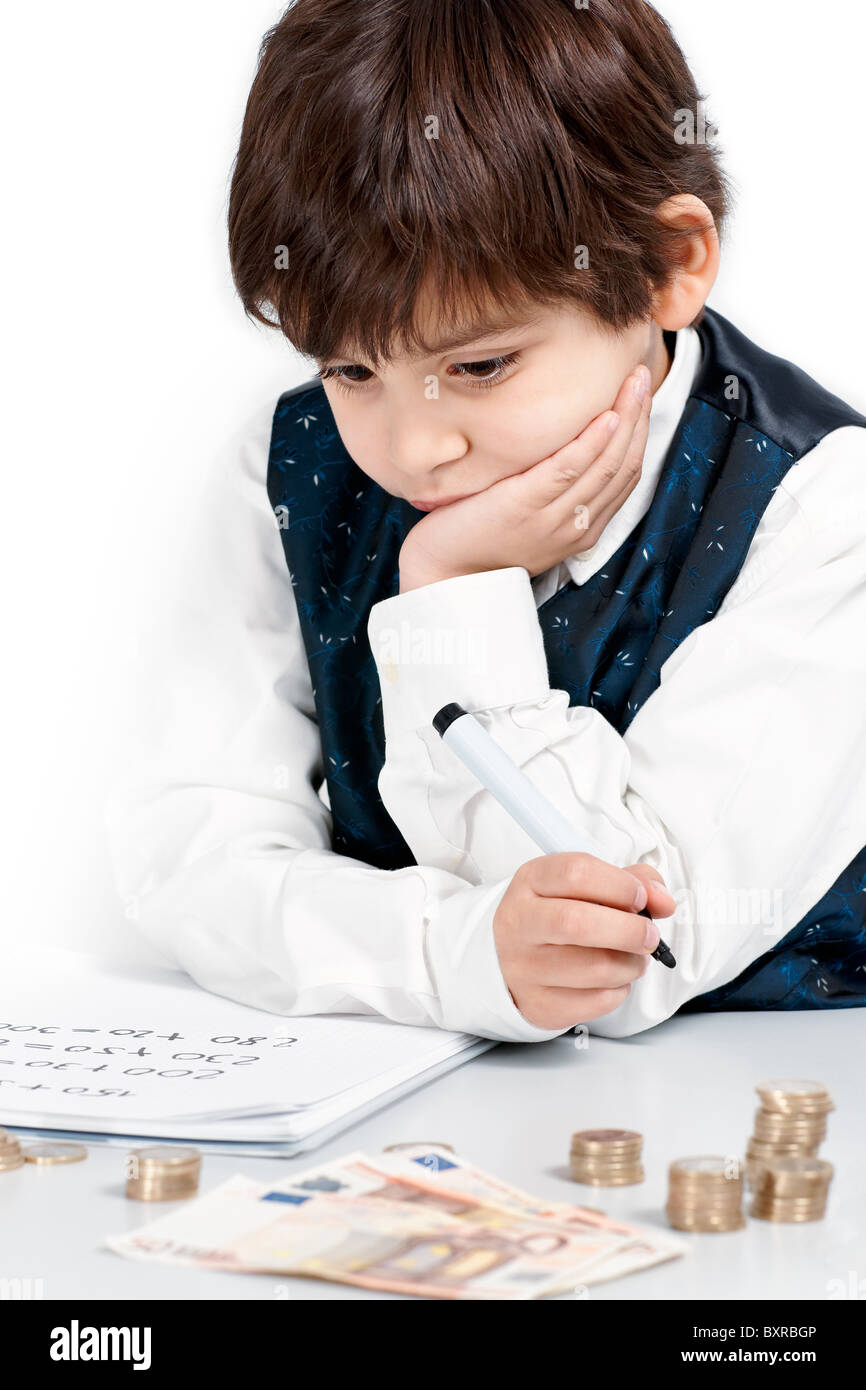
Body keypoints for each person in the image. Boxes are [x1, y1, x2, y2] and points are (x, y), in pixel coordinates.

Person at [106, 0, 866, 1042]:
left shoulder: (823, 510)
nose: (413, 449)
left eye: (476, 366)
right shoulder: (292, 467)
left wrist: (455, 591)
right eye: (350, 369)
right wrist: (449, 955)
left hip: (747, 1113)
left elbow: (639, 952)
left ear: (668, 265)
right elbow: (191, 852)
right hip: (390, 1109)